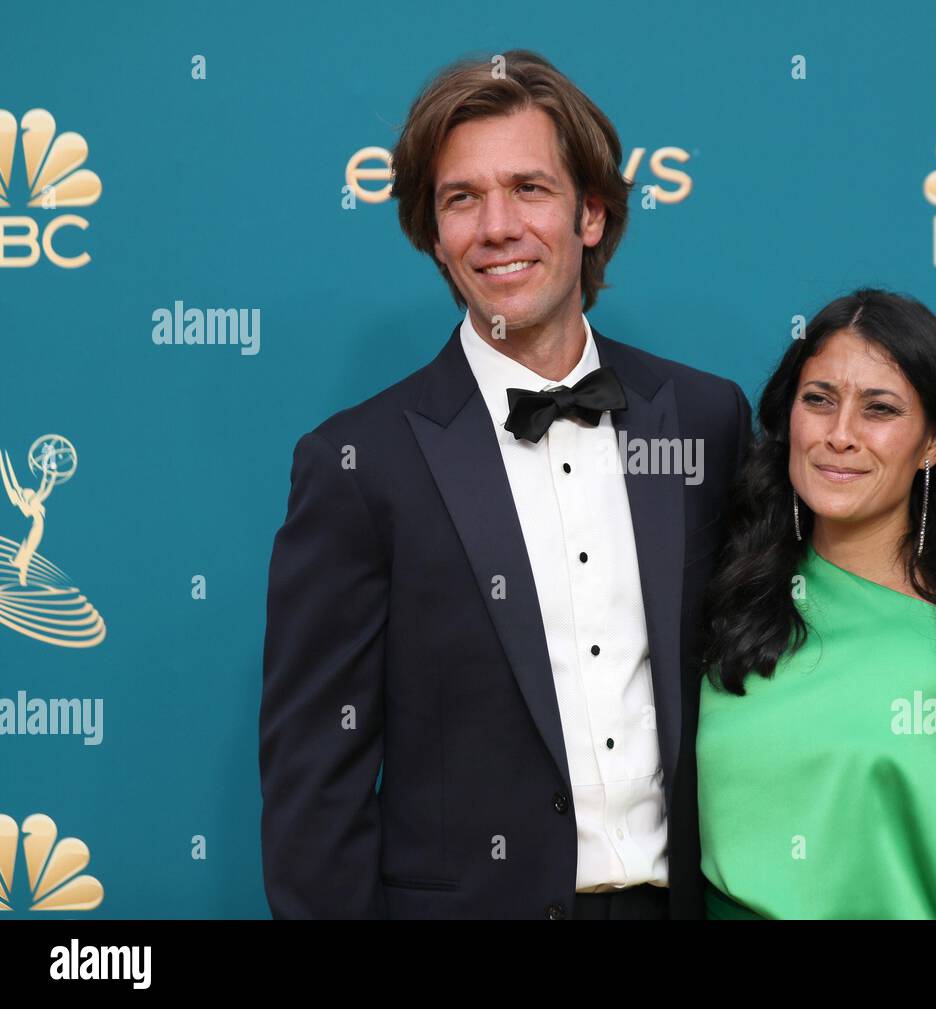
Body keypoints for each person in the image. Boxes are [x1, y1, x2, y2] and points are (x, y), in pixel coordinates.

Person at [259, 49, 750, 919]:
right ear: (433, 232)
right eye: (462, 198)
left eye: (529, 188)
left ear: (590, 213)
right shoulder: (358, 463)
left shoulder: (703, 420)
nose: (497, 226)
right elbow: (313, 785)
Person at [695, 288, 936, 919]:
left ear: (933, 442)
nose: (840, 435)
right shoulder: (732, 599)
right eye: (818, 401)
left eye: (879, 409)